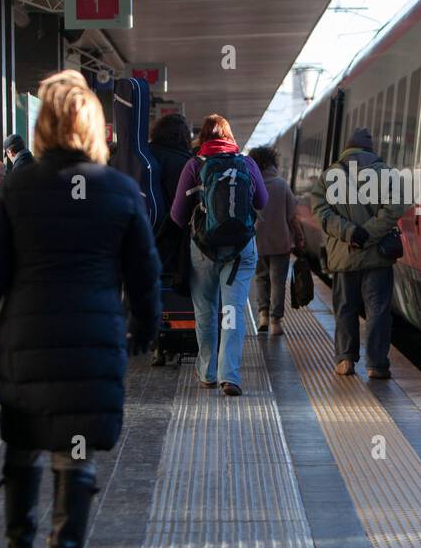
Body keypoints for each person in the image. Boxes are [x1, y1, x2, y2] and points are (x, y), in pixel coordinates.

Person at [0, 71, 160, 548]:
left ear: (42, 126)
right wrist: (145, 330)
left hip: (27, 338)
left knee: (22, 450)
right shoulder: (119, 190)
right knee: (75, 456)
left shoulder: (18, 188)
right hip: (93, 342)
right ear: (95, 127)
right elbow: (145, 276)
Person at [170, 114, 267, 397]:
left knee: (206, 312)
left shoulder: (194, 165)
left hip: (203, 248)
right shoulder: (247, 163)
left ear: (202, 138)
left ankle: (207, 372)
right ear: (230, 136)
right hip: (241, 249)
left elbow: (177, 215)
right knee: (232, 312)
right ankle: (230, 376)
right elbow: (262, 202)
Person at [309, 127, 408, 380]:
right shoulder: (385, 172)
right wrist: (369, 233)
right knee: (378, 310)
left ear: (348, 148)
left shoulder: (330, 175)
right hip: (377, 258)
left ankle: (345, 360)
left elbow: (321, 211)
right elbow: (395, 207)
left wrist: (350, 233)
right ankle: (376, 365)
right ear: (370, 149)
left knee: (345, 309)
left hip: (343, 257)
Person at [147, 112, 195, 366]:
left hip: (143, 238)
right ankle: (169, 340)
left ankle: (154, 342)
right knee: (173, 290)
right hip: (174, 240)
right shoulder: (185, 163)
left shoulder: (142, 157)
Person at [249, 146, 303, 336]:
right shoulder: (282, 185)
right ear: (273, 164)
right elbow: (292, 217)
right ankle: (275, 322)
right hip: (280, 243)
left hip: (257, 242)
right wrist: (299, 237)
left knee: (261, 278)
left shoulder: (251, 184)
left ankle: (263, 314)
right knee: (278, 281)